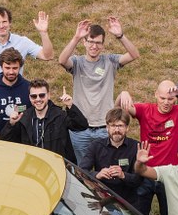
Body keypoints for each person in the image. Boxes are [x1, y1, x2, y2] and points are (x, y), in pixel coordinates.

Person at [58, 16, 138, 167]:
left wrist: (120, 36)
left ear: (103, 45)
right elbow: (62, 60)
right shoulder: (77, 62)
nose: (94, 46)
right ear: (84, 42)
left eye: (98, 43)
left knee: (107, 171)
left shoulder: (110, 61)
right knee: (82, 171)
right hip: (80, 130)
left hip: (104, 128)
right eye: (90, 42)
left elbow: (134, 55)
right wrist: (76, 37)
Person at [0, 79, 87, 163]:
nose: (38, 99)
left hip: (57, 167)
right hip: (31, 166)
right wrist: (11, 124)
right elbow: (4, 141)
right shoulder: (24, 117)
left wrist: (70, 106)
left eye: (42, 95)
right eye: (34, 96)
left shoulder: (60, 115)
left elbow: (82, 125)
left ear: (48, 95)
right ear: (29, 98)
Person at [117, 79, 178, 168]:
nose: (166, 102)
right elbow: (117, 112)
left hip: (172, 172)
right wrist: (122, 94)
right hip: (147, 170)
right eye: (162, 98)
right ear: (156, 94)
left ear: (175, 98)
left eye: (170, 99)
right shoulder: (145, 110)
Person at [89, 109, 149, 212]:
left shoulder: (136, 147)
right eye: (113, 125)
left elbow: (139, 180)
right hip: (103, 201)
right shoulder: (96, 146)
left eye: (120, 126)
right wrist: (97, 175)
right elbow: (81, 171)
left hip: (129, 202)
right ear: (107, 127)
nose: (116, 130)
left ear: (127, 128)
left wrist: (123, 175)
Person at [0, 47, 33, 134]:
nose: (11, 72)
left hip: (23, 142)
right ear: (1, 67)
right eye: (7, 68)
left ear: (20, 67)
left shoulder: (29, 88)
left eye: (15, 68)